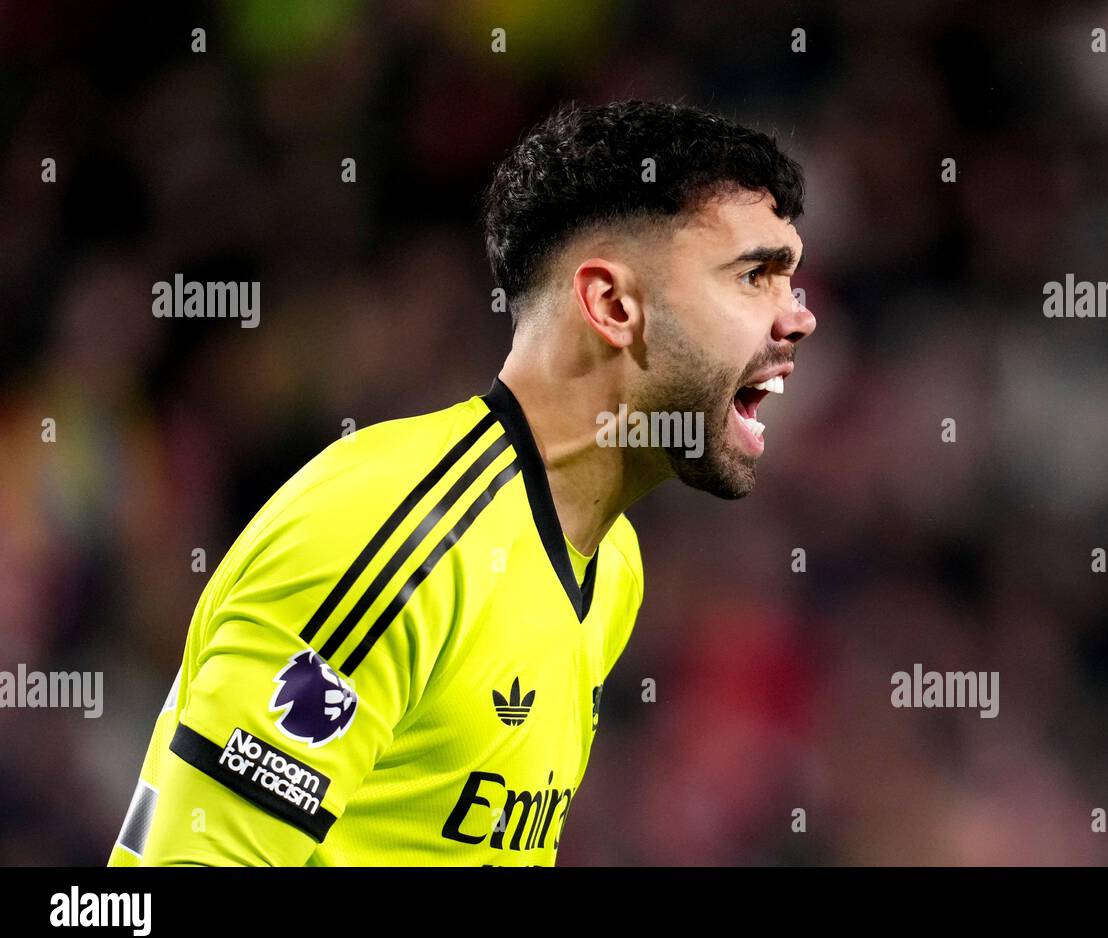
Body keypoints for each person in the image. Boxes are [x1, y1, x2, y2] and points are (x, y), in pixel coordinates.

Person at [107, 98, 816, 866]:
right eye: (755, 276)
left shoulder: (611, 566)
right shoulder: (391, 532)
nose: (800, 318)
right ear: (612, 304)